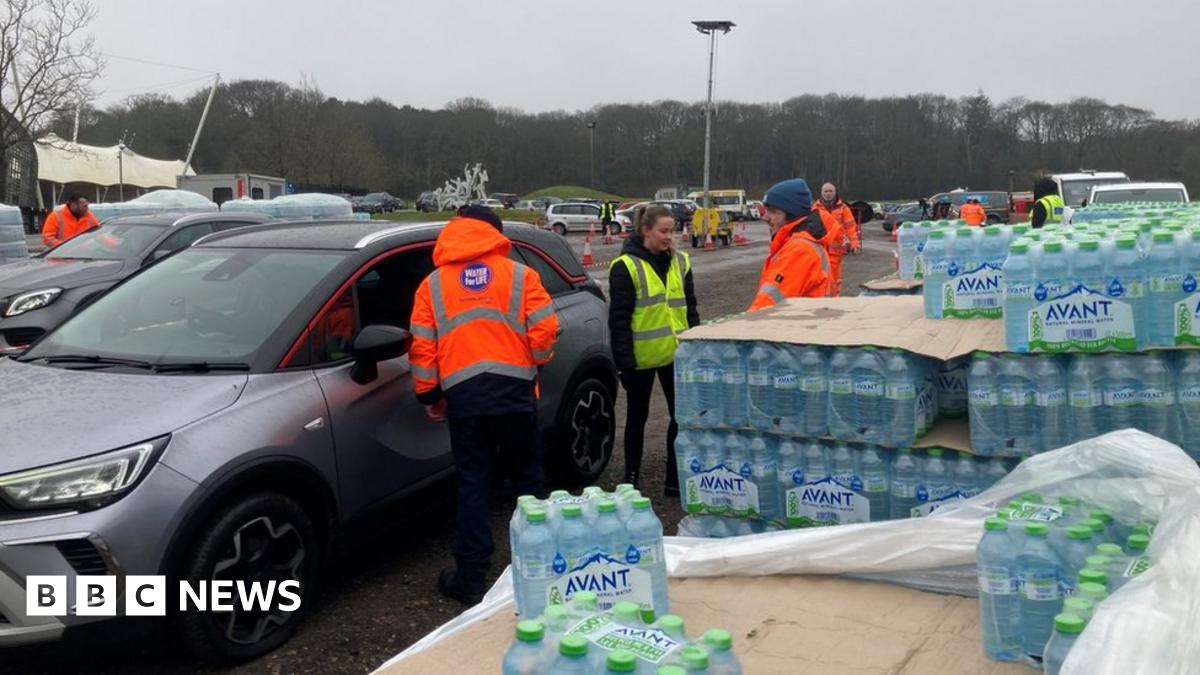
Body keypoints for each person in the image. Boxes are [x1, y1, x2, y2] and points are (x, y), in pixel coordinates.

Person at [409, 205, 560, 606]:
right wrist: (533, 362)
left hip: (465, 400)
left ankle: (472, 578)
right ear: (493, 234)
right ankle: (545, 567)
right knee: (529, 482)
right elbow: (545, 330)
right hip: (515, 395)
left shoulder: (433, 285)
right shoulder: (521, 276)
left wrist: (429, 394)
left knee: (474, 486)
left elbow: (423, 345)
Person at [608, 204, 699, 494]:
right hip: (641, 359)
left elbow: (691, 309)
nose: (668, 237)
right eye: (663, 231)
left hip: (677, 355)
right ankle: (631, 478)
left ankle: (673, 479)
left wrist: (696, 345)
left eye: (671, 231)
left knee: (680, 418)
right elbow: (619, 320)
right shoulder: (626, 267)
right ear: (645, 230)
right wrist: (624, 363)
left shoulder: (681, 262)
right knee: (637, 418)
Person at [748, 179, 831, 310]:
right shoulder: (795, 243)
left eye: (773, 211)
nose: (765, 217)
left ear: (792, 214)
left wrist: (744, 325)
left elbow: (766, 306)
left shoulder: (800, 250)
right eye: (766, 210)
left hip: (795, 326)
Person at [812, 183, 860, 297]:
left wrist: (854, 244)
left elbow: (851, 227)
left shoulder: (843, 208)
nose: (828, 194)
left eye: (830, 191)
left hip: (835, 252)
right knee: (817, 277)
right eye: (826, 191)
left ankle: (834, 300)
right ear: (821, 193)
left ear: (835, 192)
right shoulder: (815, 209)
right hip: (819, 249)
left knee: (834, 279)